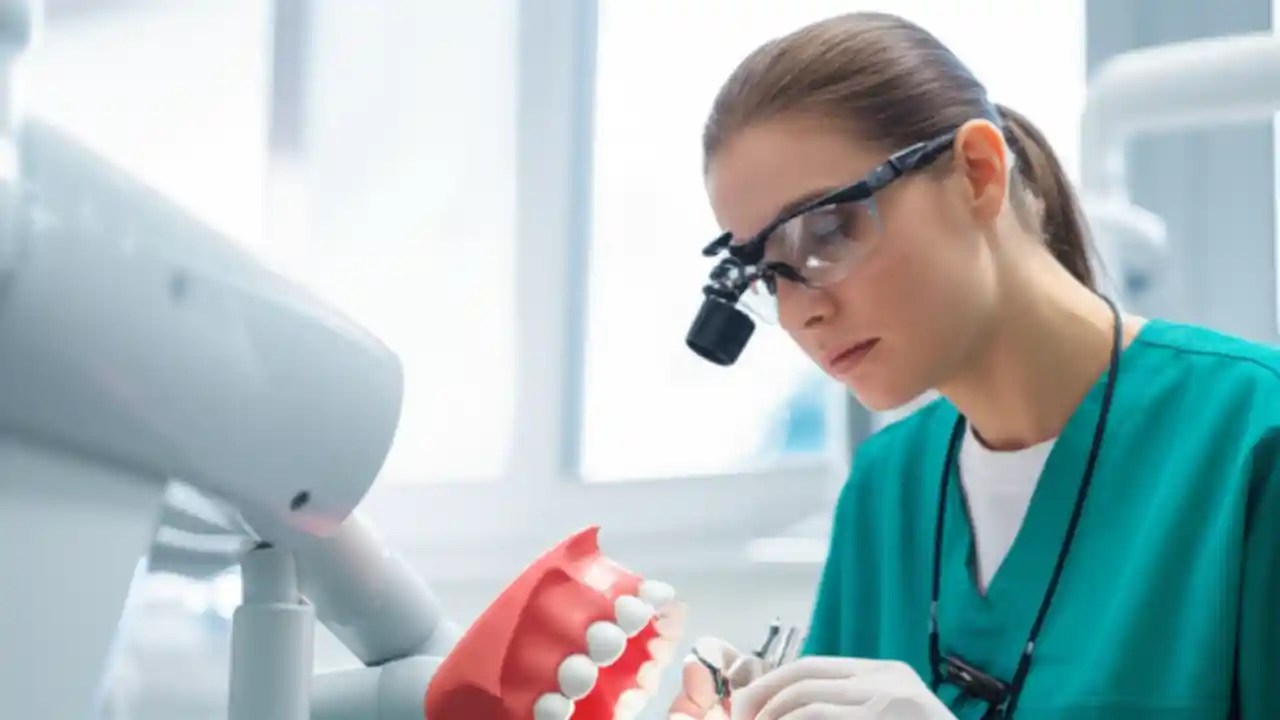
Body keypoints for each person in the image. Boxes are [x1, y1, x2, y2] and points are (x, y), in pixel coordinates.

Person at [668, 11, 1280, 720]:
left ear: (978, 174)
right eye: (769, 274)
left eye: (827, 233)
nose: (803, 313)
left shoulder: (1249, 444)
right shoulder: (885, 492)